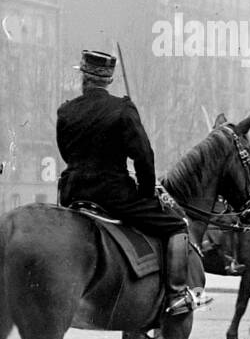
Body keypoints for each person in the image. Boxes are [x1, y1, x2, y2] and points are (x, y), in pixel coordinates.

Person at [56, 49, 198, 316]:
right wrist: (146, 193)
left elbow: (66, 153)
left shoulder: (66, 110)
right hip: (113, 196)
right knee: (177, 225)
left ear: (84, 77)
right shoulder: (122, 109)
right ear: (108, 80)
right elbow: (144, 156)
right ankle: (177, 294)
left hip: (72, 194)